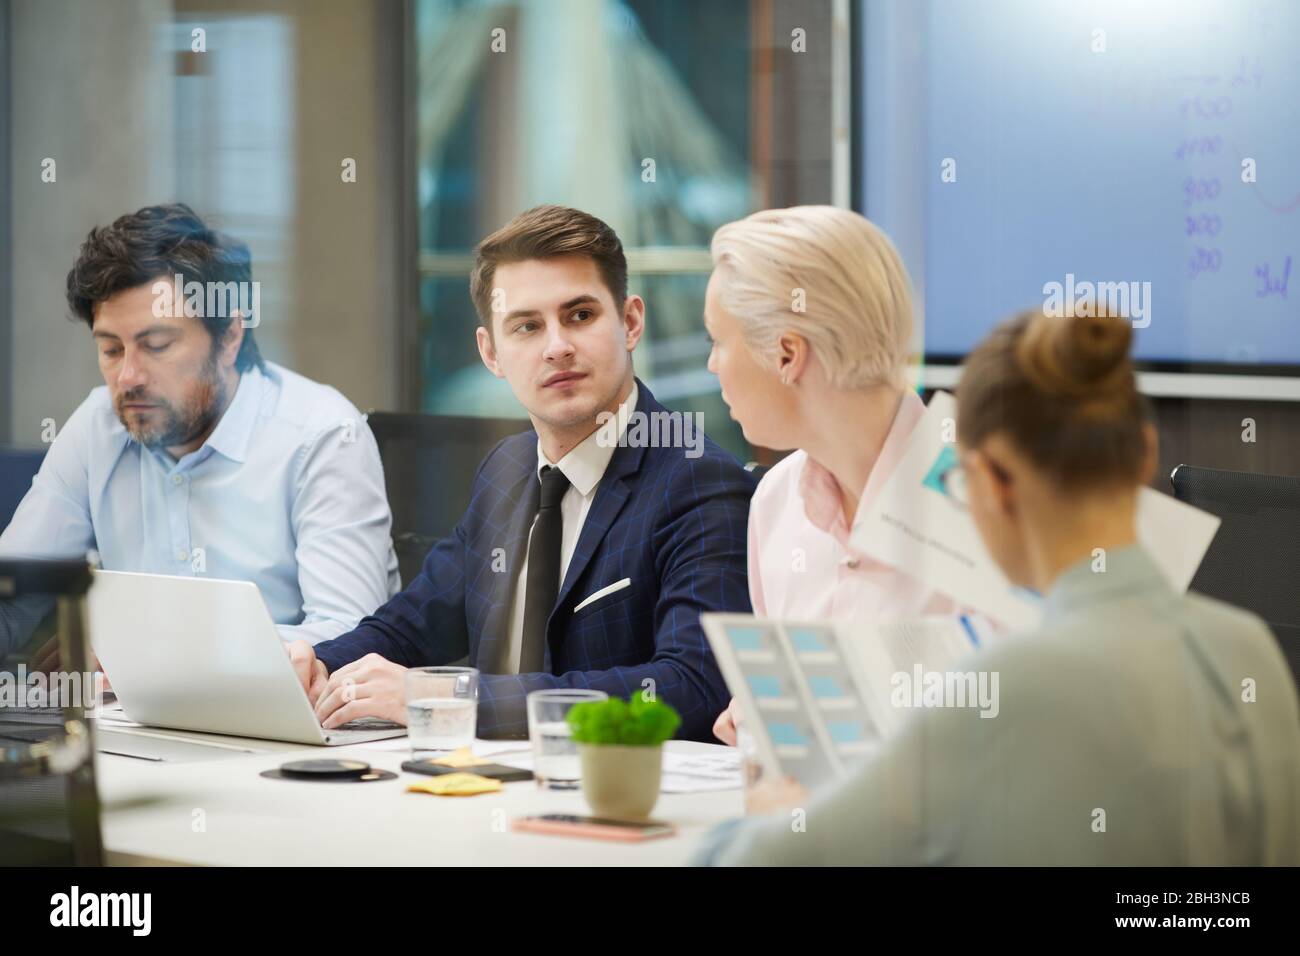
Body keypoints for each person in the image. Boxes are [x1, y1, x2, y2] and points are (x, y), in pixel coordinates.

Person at [695, 306, 1300, 864]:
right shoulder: (1250, 649)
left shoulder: (1006, 684)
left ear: (984, 483)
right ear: (1144, 453)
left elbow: (742, 859)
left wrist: (774, 810)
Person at [287, 205, 754, 740]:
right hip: (475, 786)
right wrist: (316, 665)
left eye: (580, 315)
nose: (557, 347)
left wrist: (448, 698)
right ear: (491, 352)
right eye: (527, 326)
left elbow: (691, 687)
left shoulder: (698, 479)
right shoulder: (506, 469)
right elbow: (411, 625)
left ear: (630, 321)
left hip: (611, 796)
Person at [0, 203, 400, 661]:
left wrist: (145, 655)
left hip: (279, 724)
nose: (128, 376)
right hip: (131, 723)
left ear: (229, 336)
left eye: (156, 345)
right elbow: (13, 594)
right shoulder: (99, 425)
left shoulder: (323, 434)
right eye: (111, 349)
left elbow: (350, 636)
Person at [703, 206, 959, 746]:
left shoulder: (987, 495)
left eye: (716, 341)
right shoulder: (774, 501)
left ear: (787, 354)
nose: (711, 365)